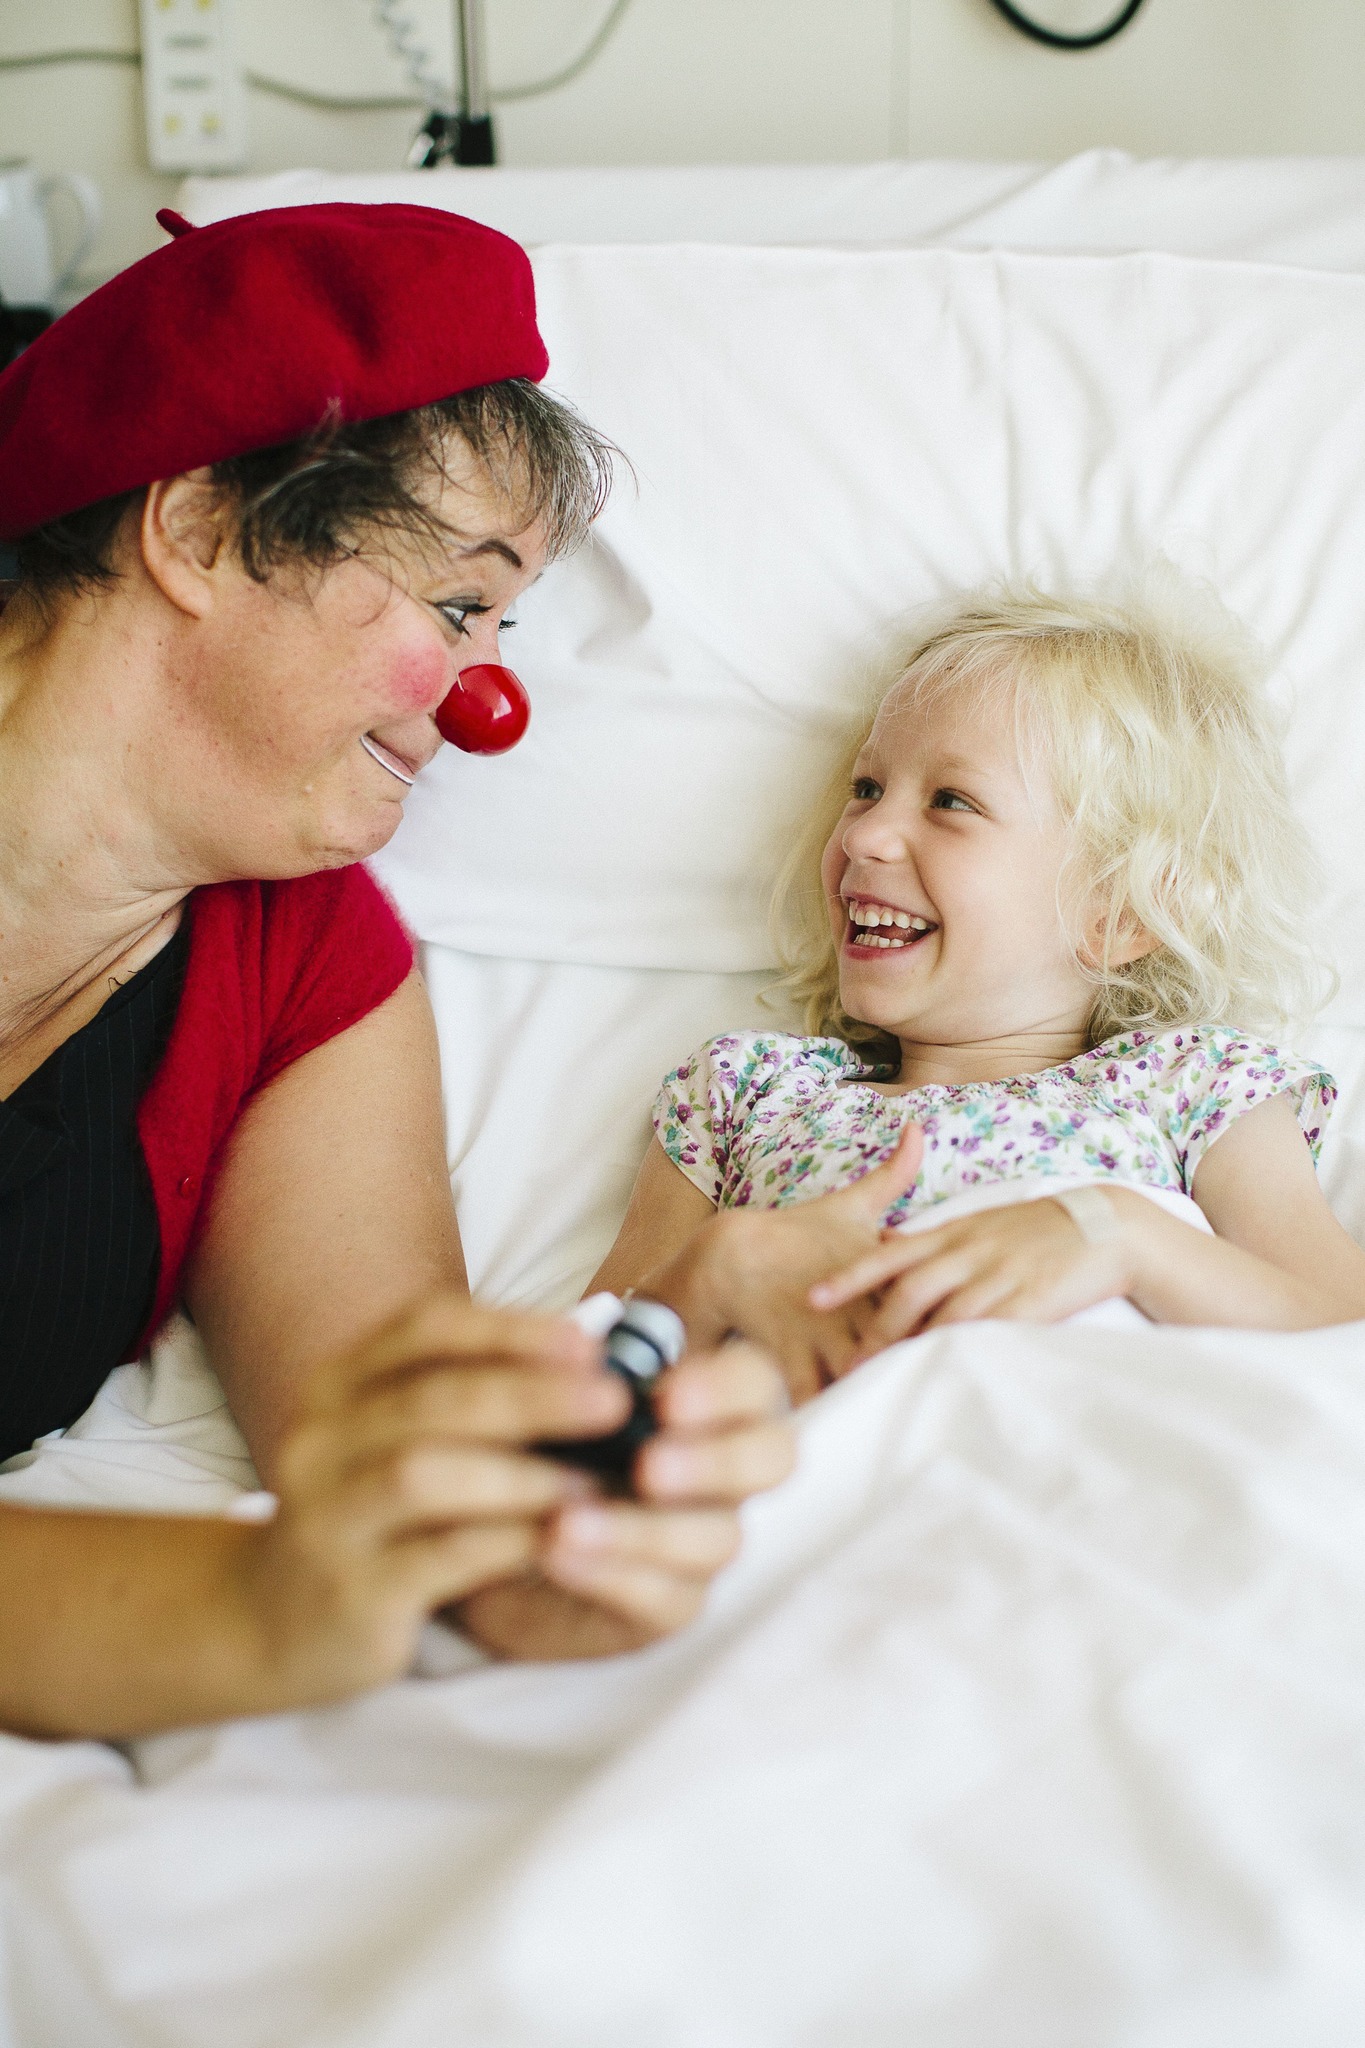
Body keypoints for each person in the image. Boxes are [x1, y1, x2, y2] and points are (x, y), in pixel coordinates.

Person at [0, 202, 792, 1739]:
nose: (488, 698)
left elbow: (387, 1439)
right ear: (201, 527)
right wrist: (247, 1608)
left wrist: (554, 1531)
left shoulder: (308, 959)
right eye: (454, 605)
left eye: (502, 627)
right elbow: (287, 1586)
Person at [592, 583, 1365, 1398]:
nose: (863, 834)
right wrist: (711, 1272)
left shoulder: (1189, 1085)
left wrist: (1121, 1233)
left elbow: (1340, 1330)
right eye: (865, 789)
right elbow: (580, 1376)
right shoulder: (748, 1091)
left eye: (950, 801)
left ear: (1120, 912)